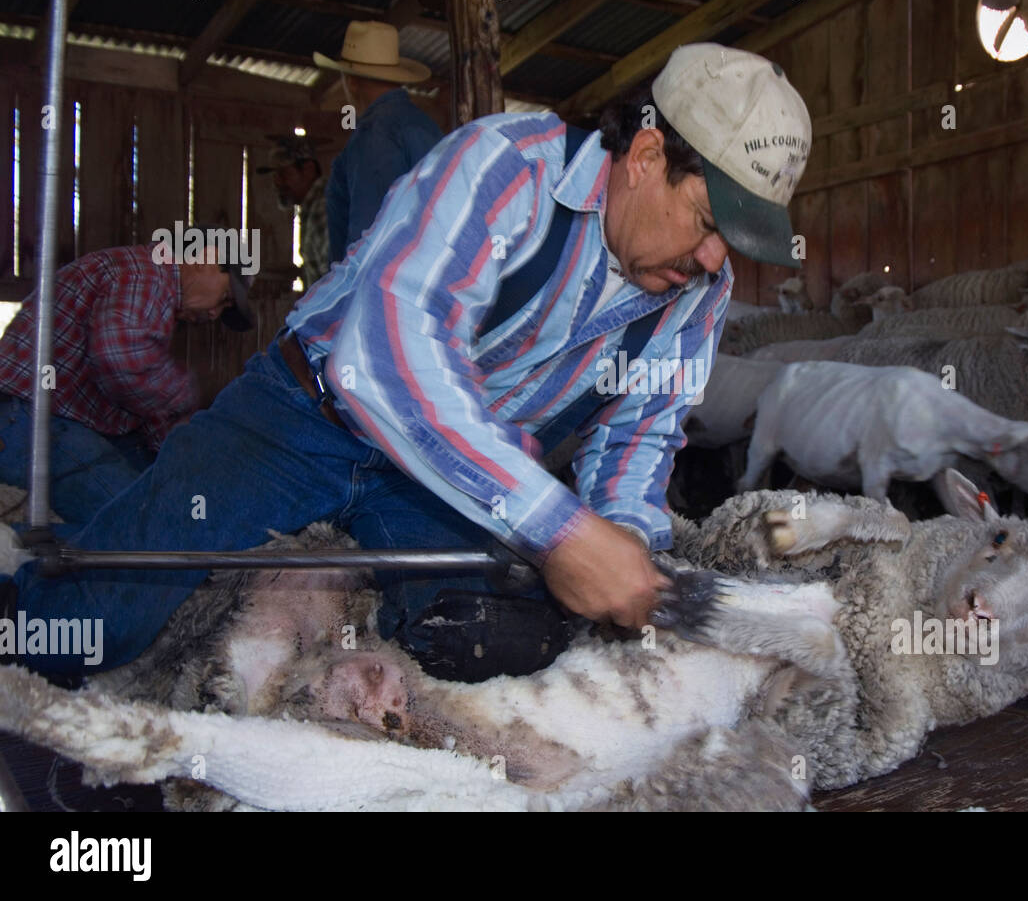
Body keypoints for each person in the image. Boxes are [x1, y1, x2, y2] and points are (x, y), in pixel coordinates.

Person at [5, 43, 811, 681]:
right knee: (101, 619)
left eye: (732, 242)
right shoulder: (505, 169)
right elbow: (390, 353)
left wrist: (630, 563)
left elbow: (640, 432)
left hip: (454, 471)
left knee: (484, 640)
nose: (713, 258)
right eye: (706, 220)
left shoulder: (698, 293)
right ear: (643, 155)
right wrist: (558, 526)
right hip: (303, 414)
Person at [0, 240, 254, 525]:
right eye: (225, 299)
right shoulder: (145, 275)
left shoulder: (152, 291)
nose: (213, 315)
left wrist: (178, 450)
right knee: (142, 522)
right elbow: (117, 358)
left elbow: (140, 401)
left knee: (170, 494)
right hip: (27, 419)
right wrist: (184, 392)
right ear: (205, 259)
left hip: (57, 419)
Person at [313, 20, 443, 264]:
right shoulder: (427, 127)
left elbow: (368, 240)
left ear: (350, 81)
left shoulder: (374, 135)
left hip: (390, 289)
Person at [256, 134, 329, 287]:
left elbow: (333, 282)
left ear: (308, 169)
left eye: (283, 173)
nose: (276, 182)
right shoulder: (315, 206)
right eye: (274, 175)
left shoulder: (322, 209)